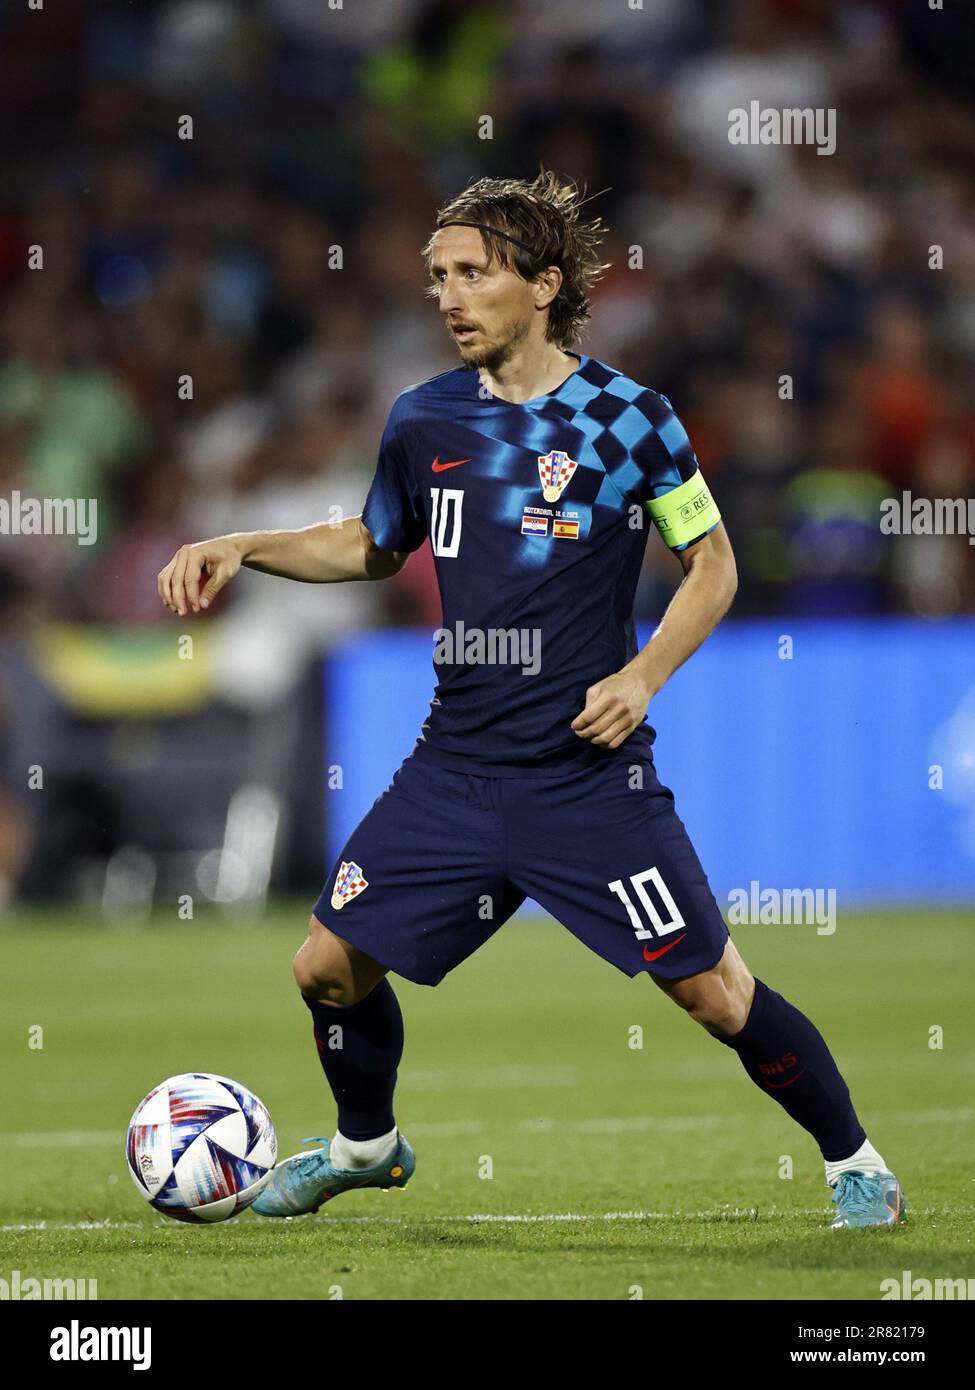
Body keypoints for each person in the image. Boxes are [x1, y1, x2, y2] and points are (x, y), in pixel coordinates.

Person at [158, 172, 906, 1230]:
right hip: (454, 768)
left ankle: (855, 1161)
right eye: (437, 277)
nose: (449, 296)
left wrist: (642, 674)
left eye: (474, 272)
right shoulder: (424, 418)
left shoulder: (631, 418)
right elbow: (372, 546)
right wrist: (243, 543)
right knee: (326, 966)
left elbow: (716, 568)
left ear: (544, 284)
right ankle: (367, 1143)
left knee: (715, 993)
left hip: (586, 779)